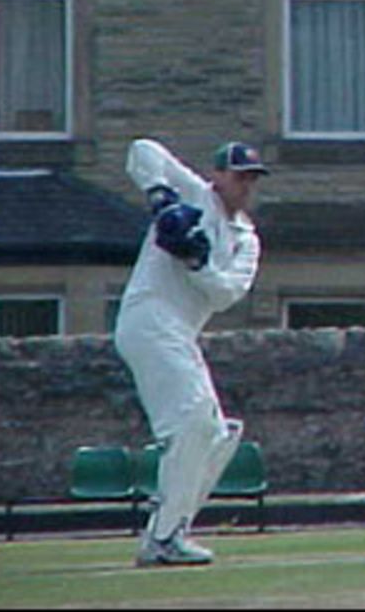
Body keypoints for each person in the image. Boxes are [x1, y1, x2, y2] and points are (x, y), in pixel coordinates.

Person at [114, 139, 269, 566]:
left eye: (251, 179)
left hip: (180, 330)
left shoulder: (246, 240)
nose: (244, 186)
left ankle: (170, 528)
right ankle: (163, 536)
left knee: (218, 434)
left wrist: (198, 261)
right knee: (193, 418)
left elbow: (226, 294)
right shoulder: (193, 193)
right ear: (217, 175)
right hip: (147, 319)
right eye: (238, 176)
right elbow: (142, 150)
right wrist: (160, 199)